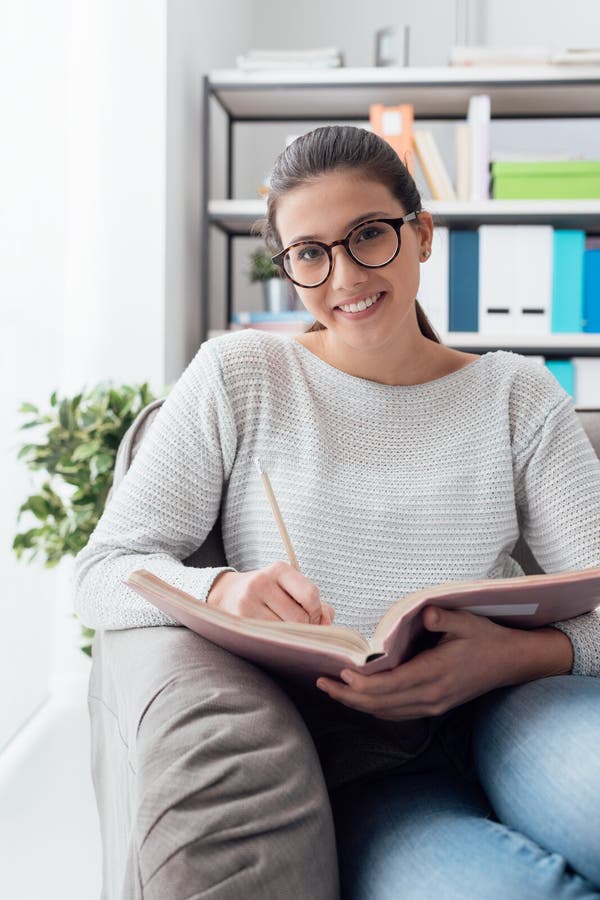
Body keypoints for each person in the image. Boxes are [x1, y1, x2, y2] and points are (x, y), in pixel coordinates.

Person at [74, 125, 600, 899]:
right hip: (368, 770)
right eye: (311, 253)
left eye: (370, 236)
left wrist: (514, 657)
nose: (345, 274)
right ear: (288, 268)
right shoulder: (240, 375)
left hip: (518, 709)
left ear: (421, 234)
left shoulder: (516, 395)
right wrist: (220, 591)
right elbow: (99, 573)